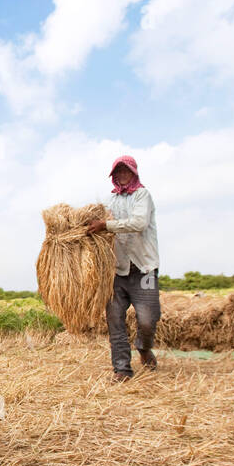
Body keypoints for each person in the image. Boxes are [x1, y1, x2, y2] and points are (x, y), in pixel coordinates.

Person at [87, 154, 160, 381]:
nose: (121, 175)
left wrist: (105, 225)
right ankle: (122, 370)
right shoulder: (111, 202)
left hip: (144, 269)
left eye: (125, 171)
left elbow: (138, 223)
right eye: (117, 172)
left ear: (134, 173)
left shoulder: (142, 195)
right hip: (118, 272)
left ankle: (144, 347)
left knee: (148, 319)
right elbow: (98, 223)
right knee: (115, 319)